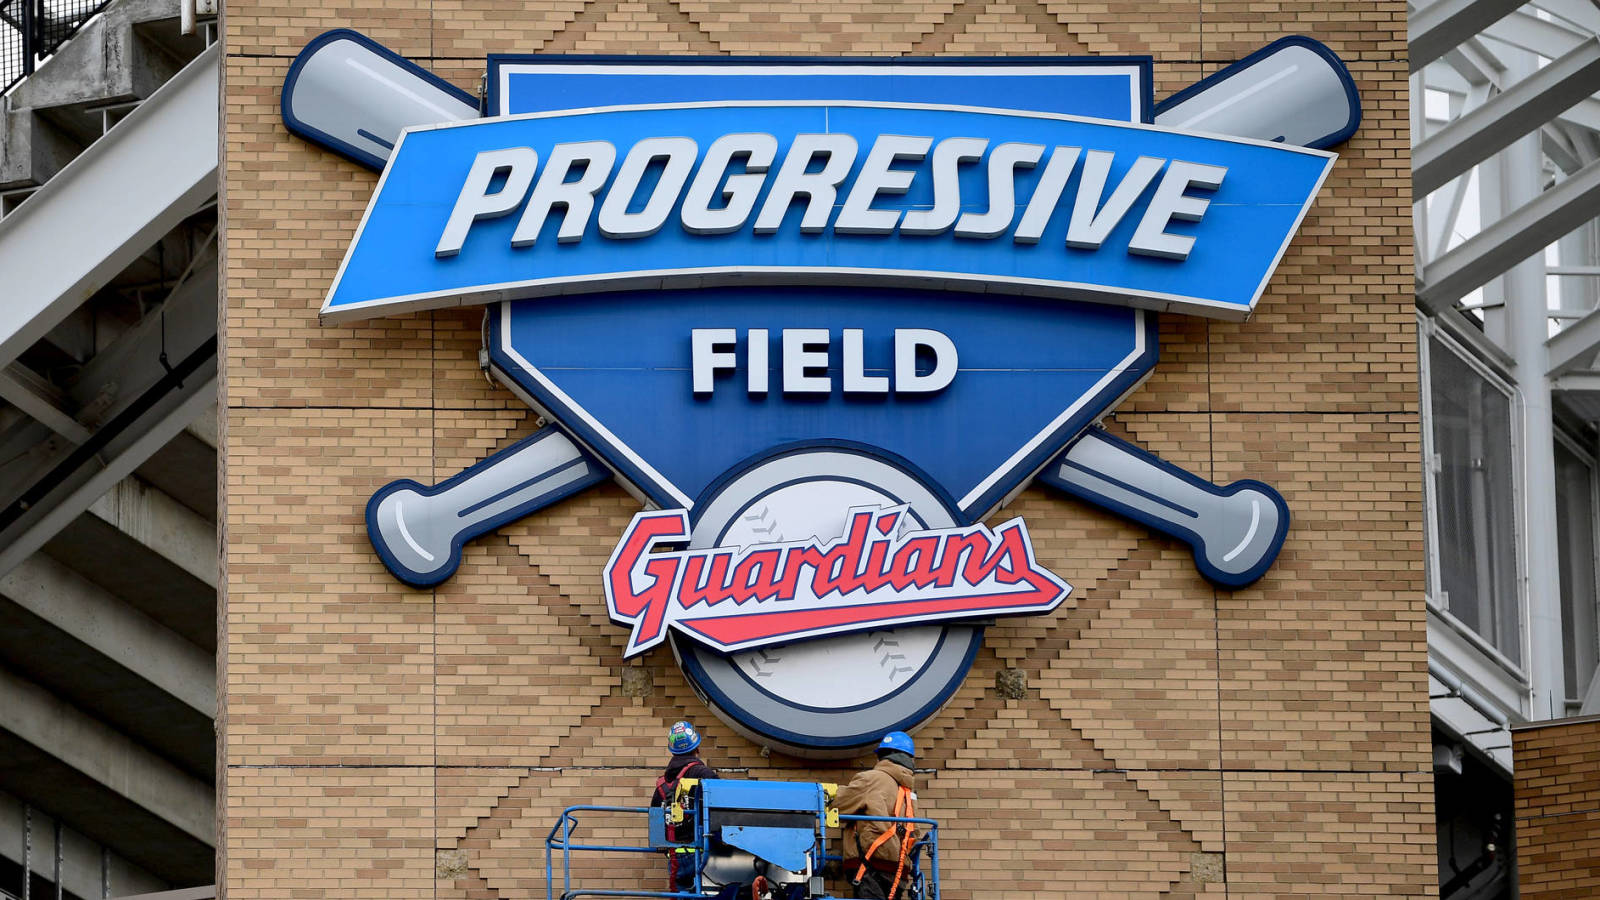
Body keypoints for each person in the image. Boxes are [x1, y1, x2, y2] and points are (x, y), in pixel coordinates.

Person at [835, 731, 919, 900]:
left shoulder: (871, 779)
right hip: (899, 869)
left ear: (882, 756)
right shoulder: (908, 792)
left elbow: (837, 806)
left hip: (869, 864)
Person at [652, 720, 718, 895]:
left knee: (680, 894)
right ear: (697, 748)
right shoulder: (704, 775)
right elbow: (720, 808)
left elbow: (655, 824)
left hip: (675, 856)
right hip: (702, 853)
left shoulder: (661, 784)